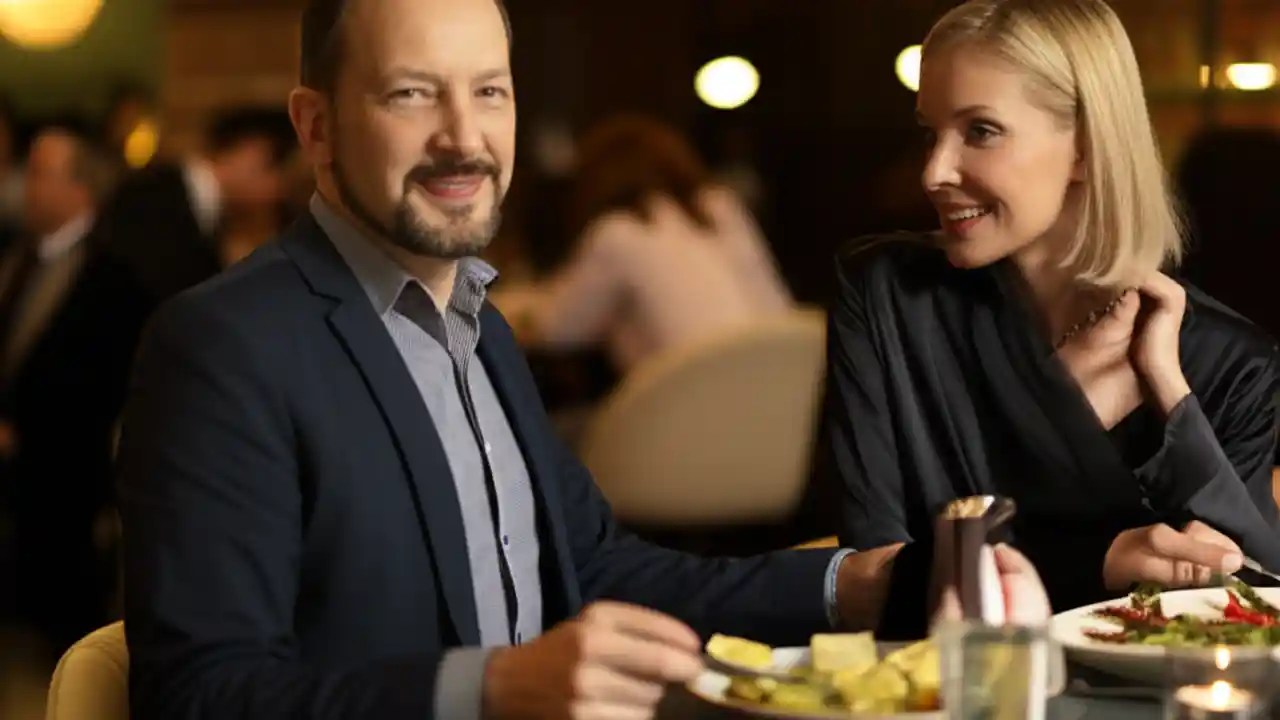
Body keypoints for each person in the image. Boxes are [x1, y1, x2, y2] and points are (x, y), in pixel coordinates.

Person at [116, 1, 1049, 718]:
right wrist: (492, 689)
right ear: (315, 128)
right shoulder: (224, 346)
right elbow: (200, 694)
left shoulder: (482, 329)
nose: (463, 136)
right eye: (411, 92)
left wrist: (866, 583)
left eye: (489, 91)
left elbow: (597, 569)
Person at [827, 0, 1280, 617]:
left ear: (1088, 148)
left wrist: (1172, 397)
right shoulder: (885, 293)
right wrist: (1102, 561)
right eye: (930, 132)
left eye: (980, 131)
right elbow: (871, 577)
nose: (934, 171)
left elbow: (1254, 600)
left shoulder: (1234, 363)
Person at [0, 124, 147, 650]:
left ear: (80, 188)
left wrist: (25, 434)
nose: (24, 184)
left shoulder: (111, 276)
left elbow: (103, 390)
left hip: (67, 503)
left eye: (39, 173)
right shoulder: (18, 259)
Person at [514, 115, 793, 372]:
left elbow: (558, 330)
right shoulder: (720, 208)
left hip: (688, 407)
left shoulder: (618, 231)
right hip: (777, 392)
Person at [98, 106, 296, 307]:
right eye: (277, 167)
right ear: (252, 150)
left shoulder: (206, 216)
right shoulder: (151, 195)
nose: (280, 190)